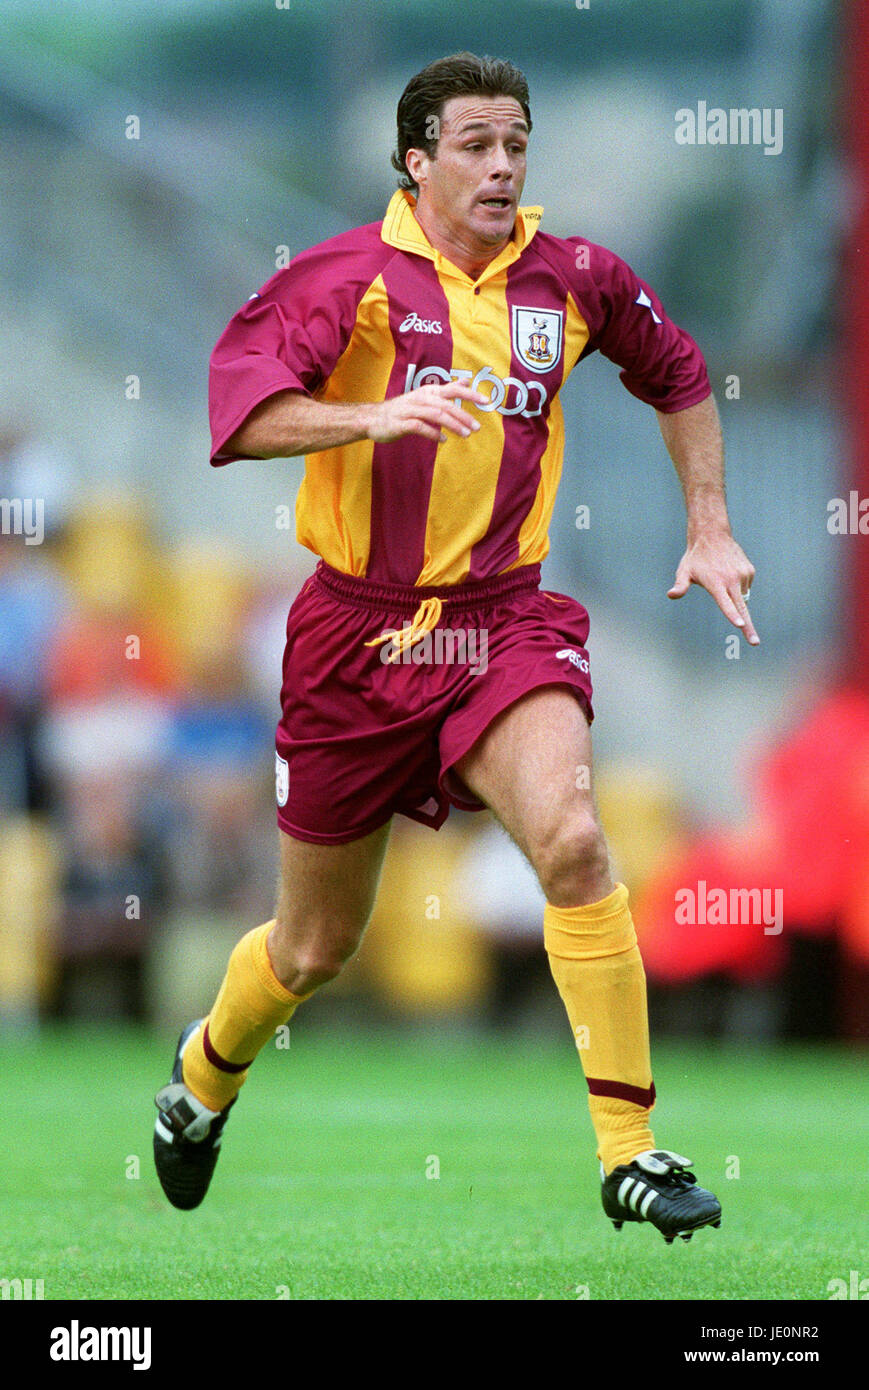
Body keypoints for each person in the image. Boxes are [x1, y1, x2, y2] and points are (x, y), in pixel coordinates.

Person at [154, 51, 757, 1241]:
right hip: (353, 638)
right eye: (474, 144)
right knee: (314, 945)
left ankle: (628, 1152)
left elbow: (678, 372)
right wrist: (370, 413)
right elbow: (243, 406)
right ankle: (202, 1079)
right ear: (415, 160)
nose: (500, 165)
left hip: (504, 624)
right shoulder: (343, 279)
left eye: (515, 143)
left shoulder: (573, 279)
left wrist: (710, 525)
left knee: (575, 839)